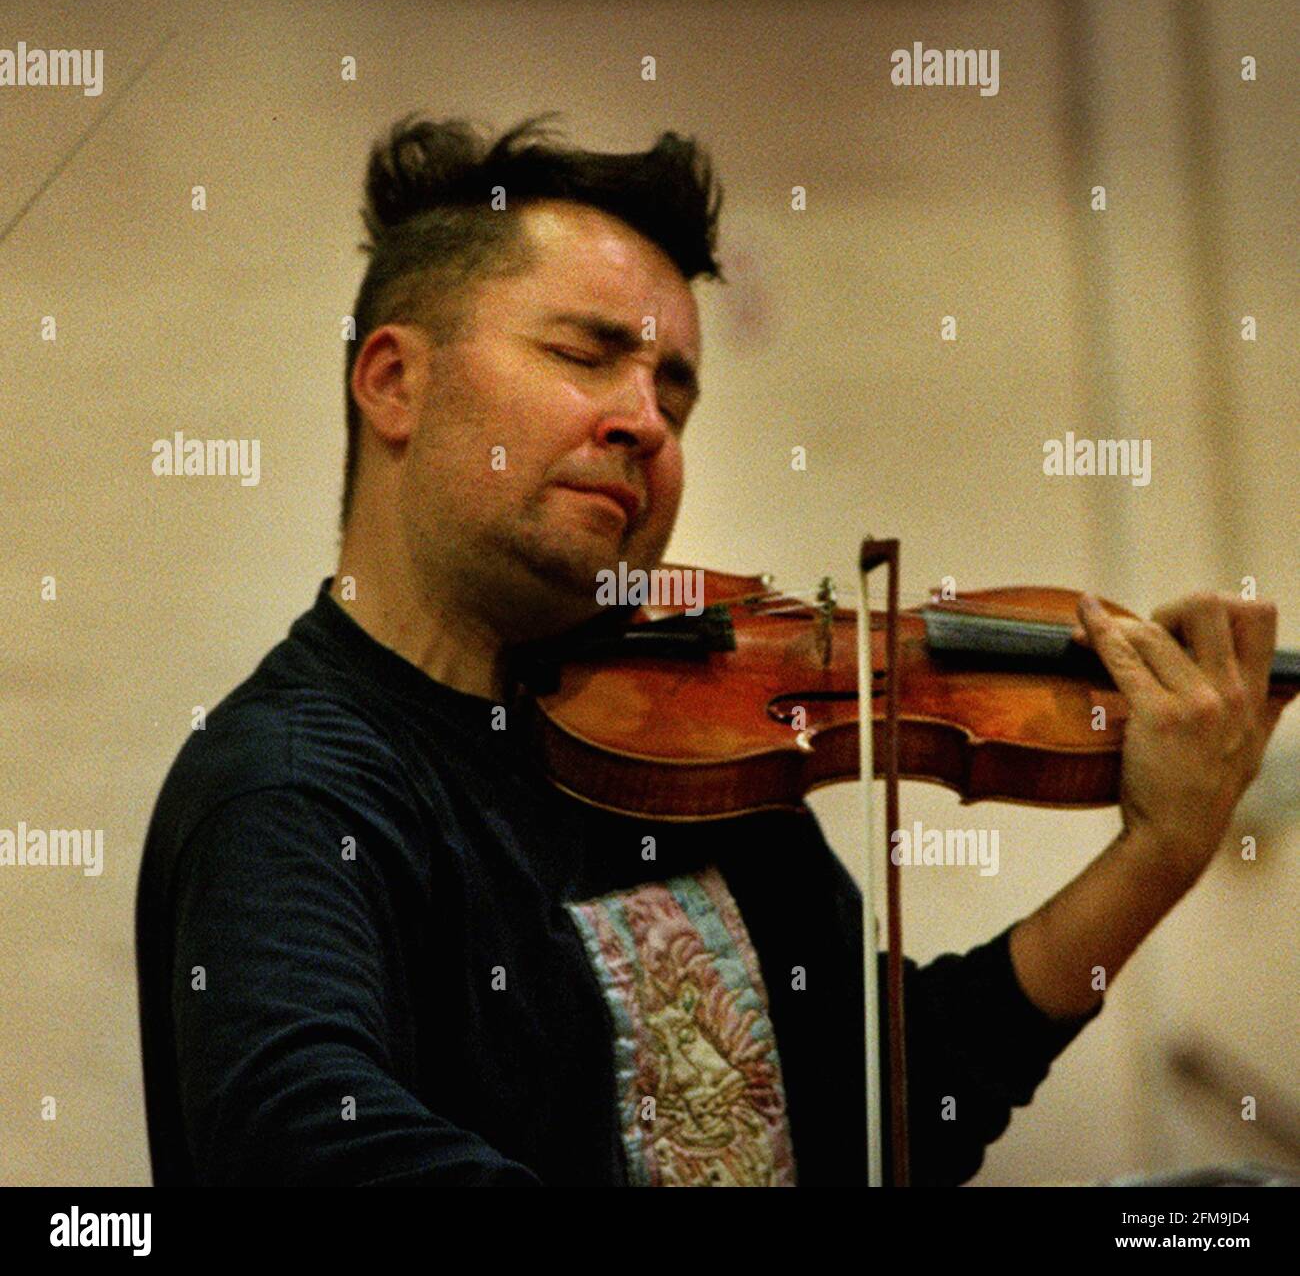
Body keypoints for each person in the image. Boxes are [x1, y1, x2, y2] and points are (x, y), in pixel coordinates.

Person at [135, 114, 1285, 1187]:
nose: (643, 421)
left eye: (674, 397)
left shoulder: (690, 740)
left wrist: (1160, 853)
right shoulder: (293, 784)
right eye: (587, 356)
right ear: (394, 381)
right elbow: (303, 1140)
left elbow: (887, 1113)